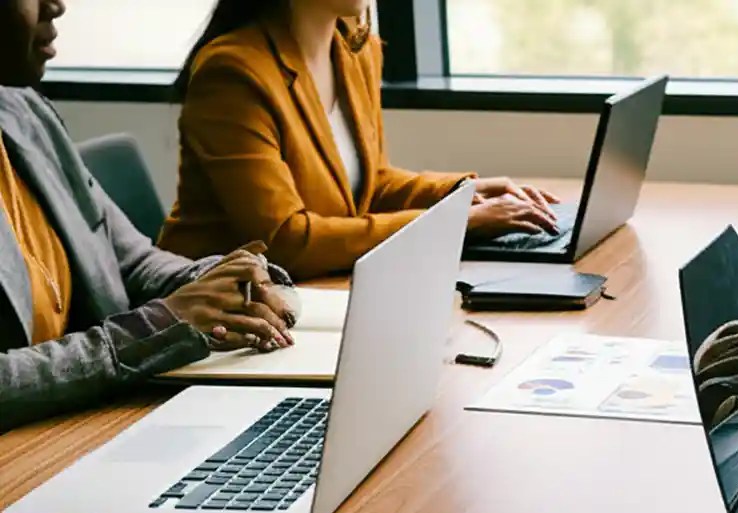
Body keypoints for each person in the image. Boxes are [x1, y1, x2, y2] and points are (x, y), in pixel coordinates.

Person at [1, 0, 295, 431]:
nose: (56, 5)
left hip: (95, 420)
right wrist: (155, 327)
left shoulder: (24, 112)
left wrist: (230, 281)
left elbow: (134, 262)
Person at [157, 0, 561, 280]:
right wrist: (453, 222)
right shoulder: (233, 72)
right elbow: (283, 241)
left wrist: (457, 193)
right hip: (224, 311)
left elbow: (367, 187)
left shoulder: (355, 47)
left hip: (313, 294)